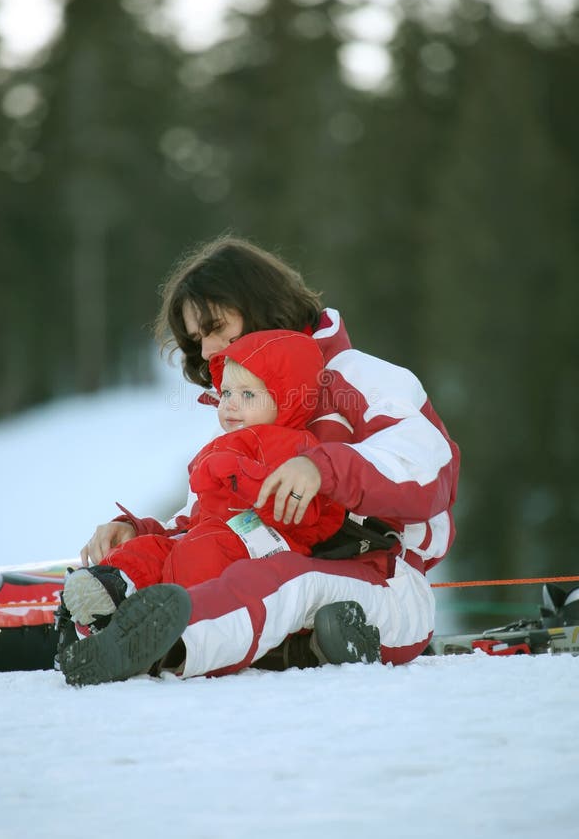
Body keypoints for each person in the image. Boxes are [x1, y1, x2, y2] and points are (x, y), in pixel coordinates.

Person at [58, 235, 460, 686]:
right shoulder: (242, 421)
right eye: (197, 339)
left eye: (215, 328)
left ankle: (165, 647)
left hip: (384, 580)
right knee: (201, 562)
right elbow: (212, 522)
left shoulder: (359, 379)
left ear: (262, 305)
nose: (208, 351)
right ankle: (101, 627)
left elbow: (432, 470)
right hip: (267, 574)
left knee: (289, 578)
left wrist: (322, 467)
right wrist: (142, 532)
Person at [60, 330, 345, 635]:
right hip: (208, 536)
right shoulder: (226, 443)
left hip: (262, 547)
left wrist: (237, 474)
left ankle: (157, 622)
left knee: (205, 551)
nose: (231, 404)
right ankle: (107, 591)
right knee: (154, 548)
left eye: (247, 395)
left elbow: (309, 513)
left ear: (287, 399)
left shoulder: (298, 448)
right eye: (226, 393)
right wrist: (147, 530)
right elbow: (198, 517)